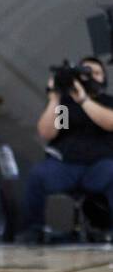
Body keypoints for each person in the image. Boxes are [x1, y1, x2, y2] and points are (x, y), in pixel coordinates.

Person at [21, 57, 113, 243]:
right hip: (66, 165)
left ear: (104, 78)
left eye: (96, 73)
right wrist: (55, 99)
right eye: (86, 72)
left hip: (100, 166)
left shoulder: (107, 101)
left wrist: (84, 100)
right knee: (37, 175)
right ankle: (33, 229)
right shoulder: (65, 106)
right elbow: (48, 133)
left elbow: (109, 122)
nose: (91, 77)